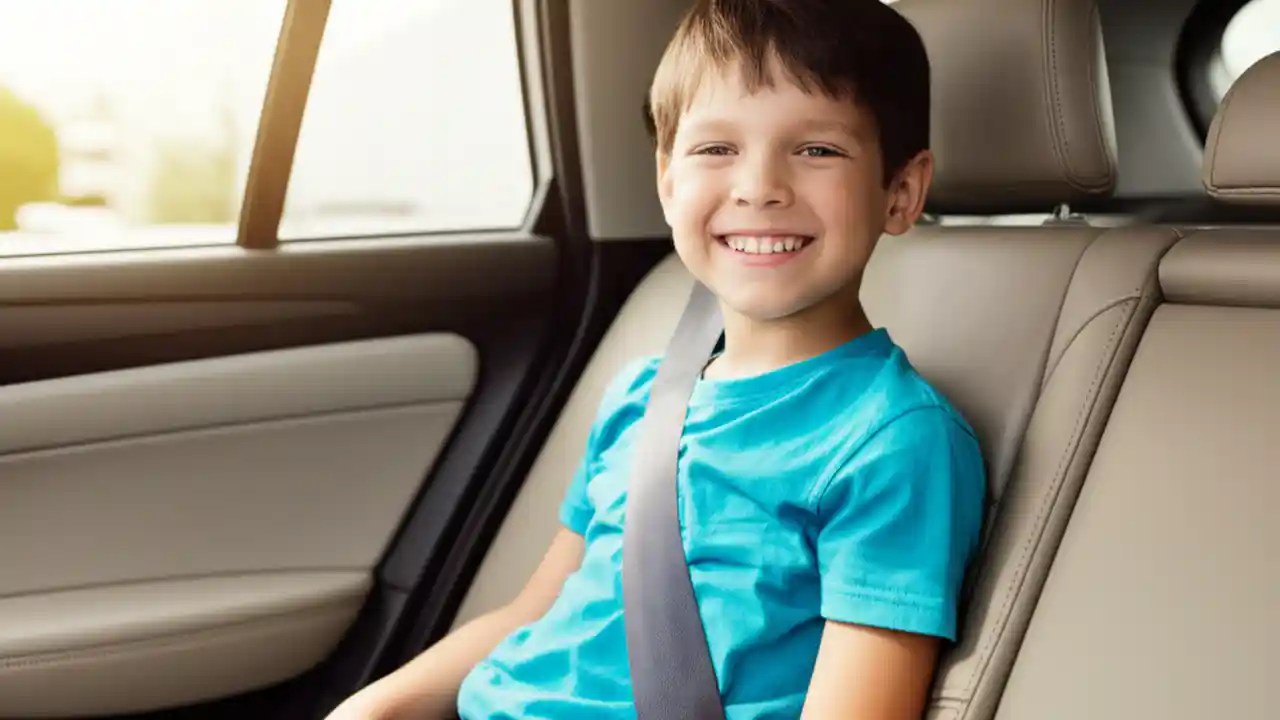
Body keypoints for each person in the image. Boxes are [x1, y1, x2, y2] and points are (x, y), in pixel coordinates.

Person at [328, 1, 984, 717]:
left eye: (817, 149)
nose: (759, 184)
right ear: (668, 180)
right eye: (716, 149)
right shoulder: (643, 395)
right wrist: (372, 708)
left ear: (901, 191)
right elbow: (539, 611)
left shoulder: (893, 441)